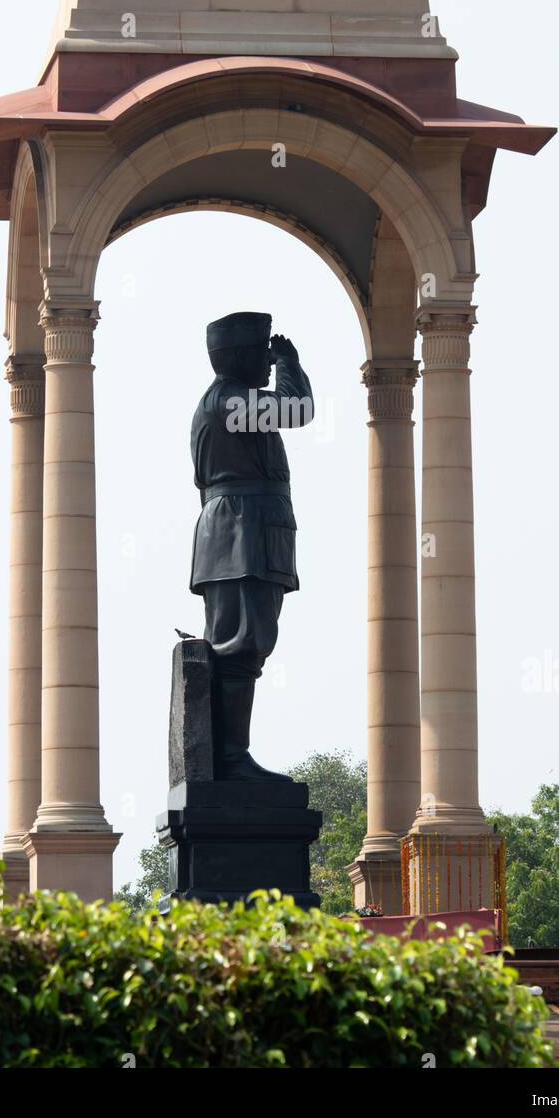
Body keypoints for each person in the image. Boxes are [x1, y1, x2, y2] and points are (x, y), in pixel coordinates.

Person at [190, 311, 314, 779]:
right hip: (239, 535)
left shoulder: (228, 401)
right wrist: (288, 363)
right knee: (239, 646)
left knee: (247, 645)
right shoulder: (228, 403)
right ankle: (229, 759)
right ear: (240, 356)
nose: (265, 362)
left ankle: (231, 756)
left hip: (248, 532)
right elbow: (297, 409)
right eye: (260, 353)